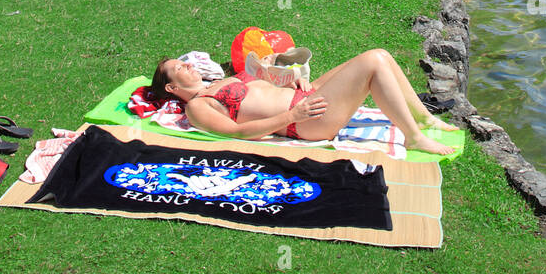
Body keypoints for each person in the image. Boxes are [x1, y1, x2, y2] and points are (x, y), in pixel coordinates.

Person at [149, 49, 458, 156]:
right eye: (179, 67)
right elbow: (237, 133)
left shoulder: (217, 82)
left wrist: (292, 79)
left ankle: (423, 119)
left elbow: (263, 91)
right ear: (173, 87)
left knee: (382, 55)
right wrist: (292, 115)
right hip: (305, 121)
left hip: (304, 100)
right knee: (373, 63)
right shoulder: (198, 106)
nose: (188, 65)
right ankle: (414, 138)